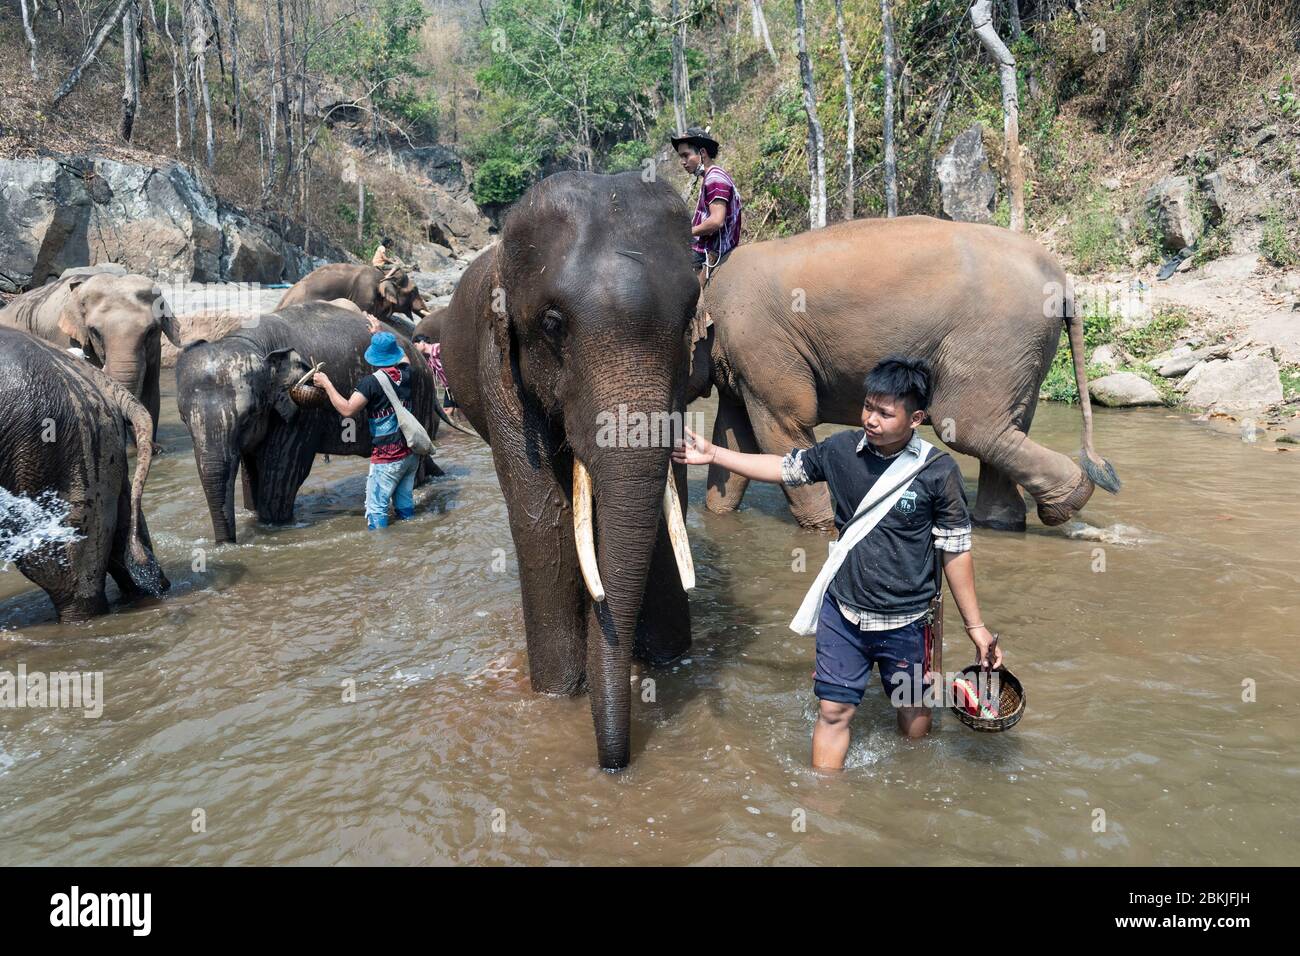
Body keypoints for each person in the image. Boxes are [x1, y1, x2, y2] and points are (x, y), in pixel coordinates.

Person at [672, 355, 1002, 770]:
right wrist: (715, 453)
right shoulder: (841, 450)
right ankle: (824, 804)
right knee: (833, 712)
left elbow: (956, 550)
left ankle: (913, 782)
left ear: (916, 417)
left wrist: (976, 627)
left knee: (914, 710)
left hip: (908, 620)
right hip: (843, 612)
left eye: (886, 413)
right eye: (868, 407)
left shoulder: (938, 473)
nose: (872, 419)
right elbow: (784, 468)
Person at [313, 327, 418, 530]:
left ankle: (381, 555)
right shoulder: (406, 373)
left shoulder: (370, 383)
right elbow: (405, 357)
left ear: (374, 358)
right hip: (410, 454)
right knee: (405, 506)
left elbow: (347, 410)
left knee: (376, 510)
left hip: (388, 458)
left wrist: (326, 384)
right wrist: (378, 332)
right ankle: (411, 540)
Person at [671, 127, 743, 289]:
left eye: (686, 155)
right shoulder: (710, 177)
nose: (682, 162)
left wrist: (687, 232)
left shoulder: (715, 179)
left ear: (702, 153)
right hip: (704, 248)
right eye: (680, 157)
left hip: (710, 251)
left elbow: (716, 221)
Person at [412, 333, 460, 422]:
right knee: (449, 410)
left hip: (456, 384)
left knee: (452, 411)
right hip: (448, 388)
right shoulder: (430, 359)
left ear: (422, 342)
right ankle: (455, 432)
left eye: (415, 345)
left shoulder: (439, 348)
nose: (415, 348)